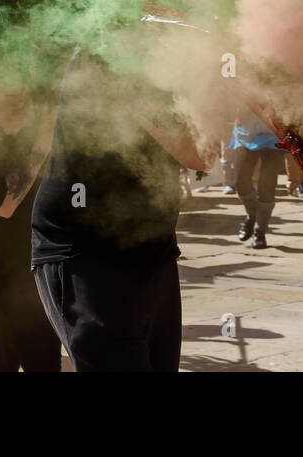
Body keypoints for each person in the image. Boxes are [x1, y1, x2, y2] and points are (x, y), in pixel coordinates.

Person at [32, 50, 209, 372]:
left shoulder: (167, 53)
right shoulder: (105, 50)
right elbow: (197, 151)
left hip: (154, 247)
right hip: (86, 252)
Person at [230, 108, 282, 249]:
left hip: (273, 134)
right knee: (240, 180)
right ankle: (252, 215)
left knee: (267, 185)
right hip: (245, 133)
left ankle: (260, 232)